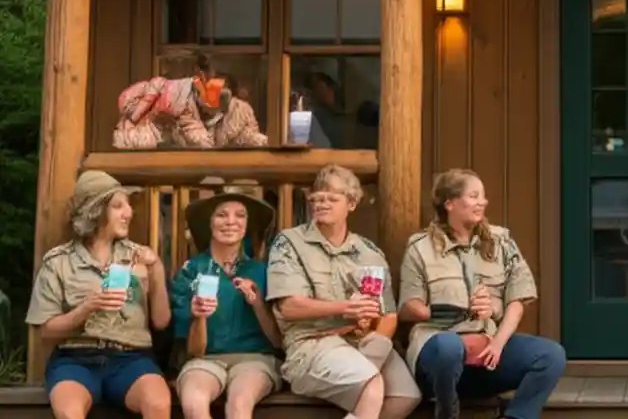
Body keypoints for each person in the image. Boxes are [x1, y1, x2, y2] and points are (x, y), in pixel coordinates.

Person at [401, 168, 566, 419]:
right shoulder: (420, 247)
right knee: (448, 347)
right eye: (474, 196)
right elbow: (408, 306)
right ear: (450, 203)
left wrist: (497, 342)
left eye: (483, 196)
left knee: (551, 355)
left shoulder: (501, 242)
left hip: (487, 350)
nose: (482, 202)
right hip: (439, 357)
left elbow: (518, 298)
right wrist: (448, 316)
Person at [266, 164, 421, 419]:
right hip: (311, 345)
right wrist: (345, 308)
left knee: (406, 395)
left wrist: (375, 342)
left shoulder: (369, 252)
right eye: (316, 198)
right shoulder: (290, 242)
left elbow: (389, 313)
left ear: (351, 203)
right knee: (371, 386)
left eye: (331, 198)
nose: (321, 203)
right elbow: (289, 307)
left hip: (361, 342)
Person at [25, 170, 172, 419]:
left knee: (158, 404)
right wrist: (86, 308)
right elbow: (47, 331)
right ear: (95, 210)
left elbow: (161, 321)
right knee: (69, 412)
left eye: (127, 205)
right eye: (118, 206)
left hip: (131, 358)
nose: (128, 212)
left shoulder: (140, 256)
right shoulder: (59, 262)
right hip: (75, 359)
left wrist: (156, 268)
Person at [171, 185, 282, 419]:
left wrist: (258, 304)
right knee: (193, 403)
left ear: (247, 225)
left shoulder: (263, 271)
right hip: (205, 360)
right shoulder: (191, 271)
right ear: (209, 224)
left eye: (240, 215)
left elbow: (278, 341)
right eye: (222, 214)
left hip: (255, 359)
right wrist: (199, 316)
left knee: (239, 406)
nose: (231, 221)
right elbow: (194, 351)